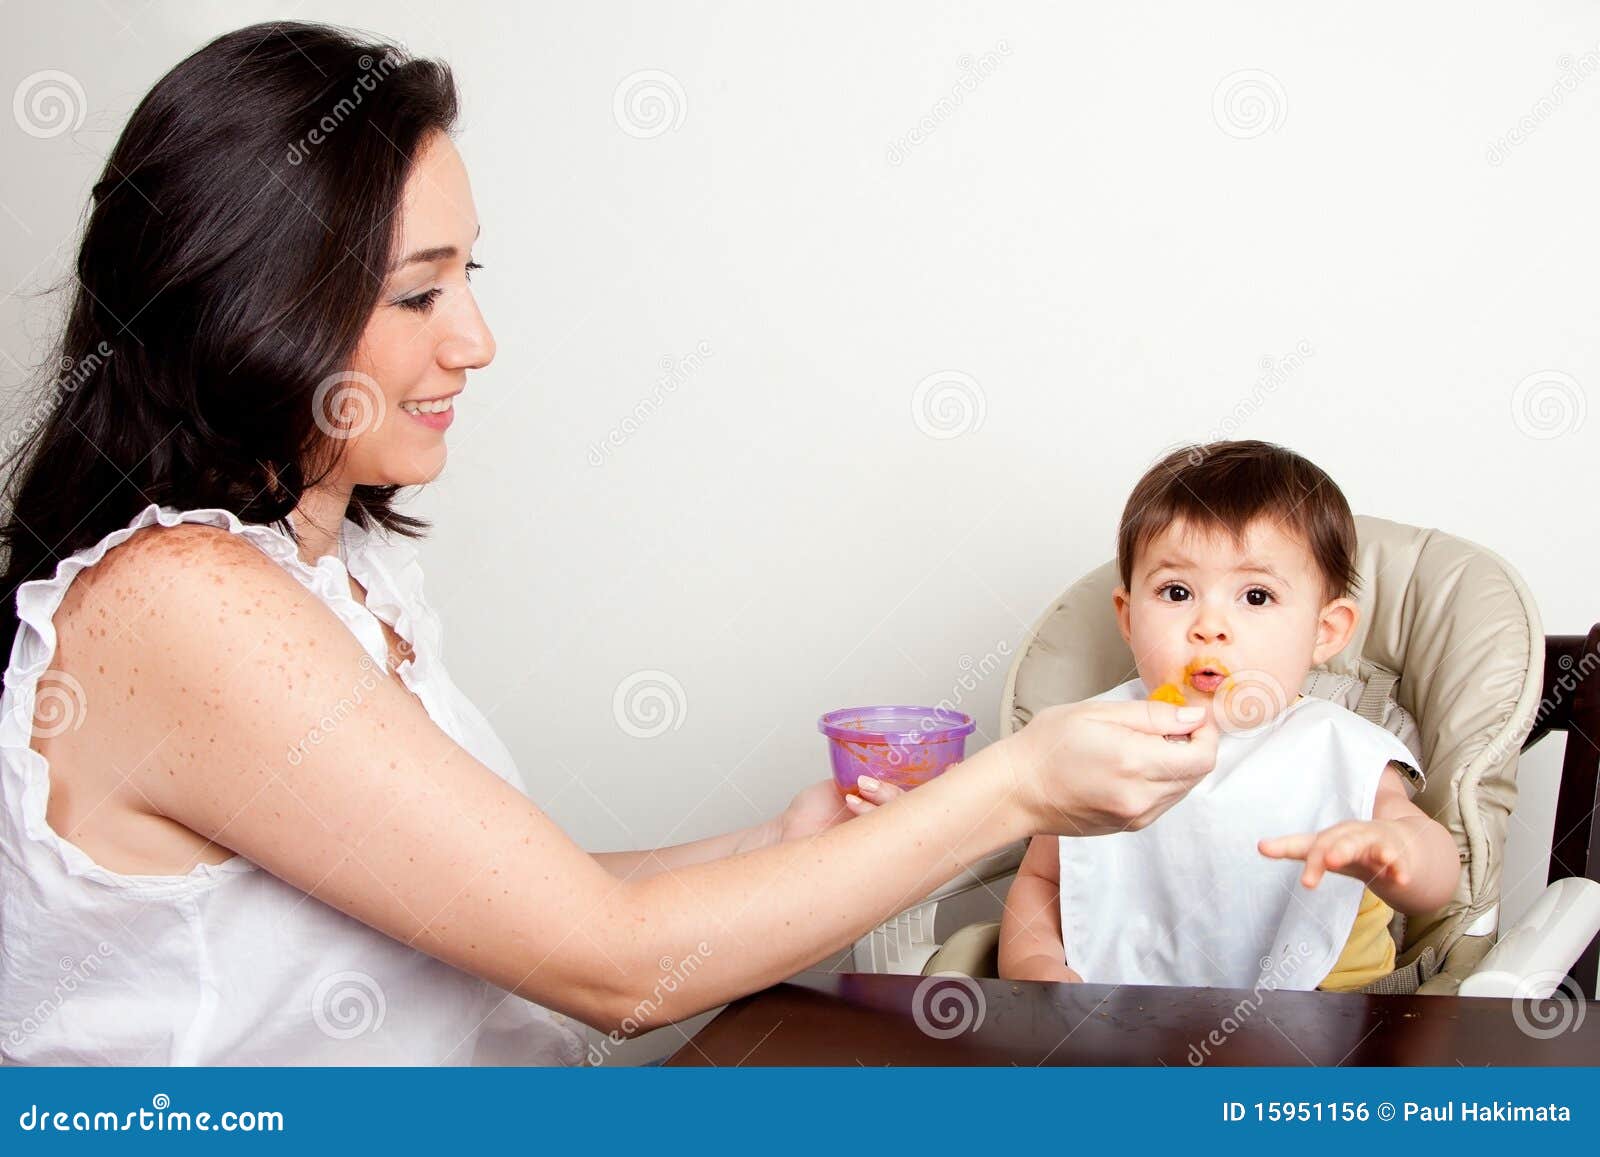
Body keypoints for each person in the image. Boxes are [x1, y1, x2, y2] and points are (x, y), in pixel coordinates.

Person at [0, 22, 1219, 1065]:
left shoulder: (336, 575)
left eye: (466, 275)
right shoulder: (179, 603)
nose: (475, 339)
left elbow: (511, 910)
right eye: (418, 293)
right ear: (249, 301)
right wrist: (1017, 787)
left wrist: (777, 844)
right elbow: (614, 968)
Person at [999, 441, 1460, 992]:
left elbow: (1435, 873)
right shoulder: (1096, 736)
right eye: (1176, 592)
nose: (1209, 625)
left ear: (1325, 631)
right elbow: (1046, 878)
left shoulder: (1344, 746)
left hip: (1322, 1026)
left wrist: (1396, 852)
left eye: (1257, 596)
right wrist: (1036, 967)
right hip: (1113, 1020)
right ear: (1127, 617)